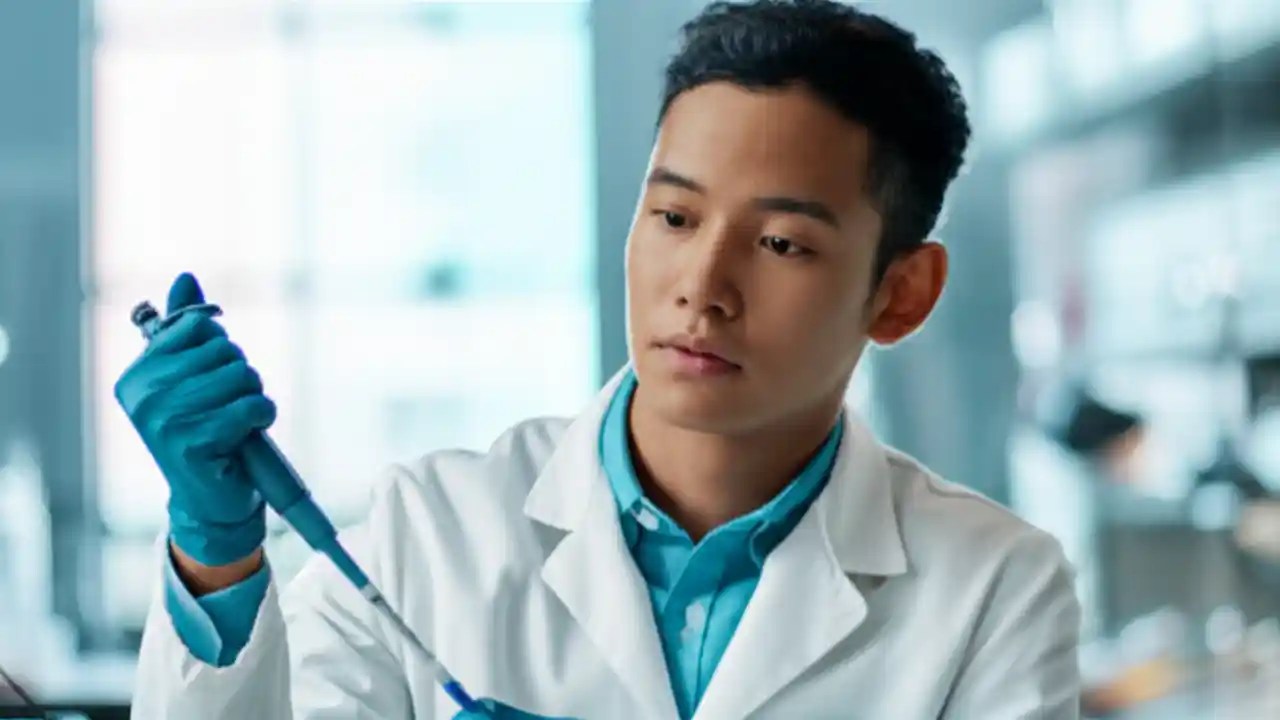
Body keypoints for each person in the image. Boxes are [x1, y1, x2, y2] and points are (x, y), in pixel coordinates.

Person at [122, 1, 1081, 717]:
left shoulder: (992, 586)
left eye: (782, 243)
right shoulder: (429, 540)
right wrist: (217, 559)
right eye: (673, 216)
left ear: (899, 293)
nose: (701, 287)